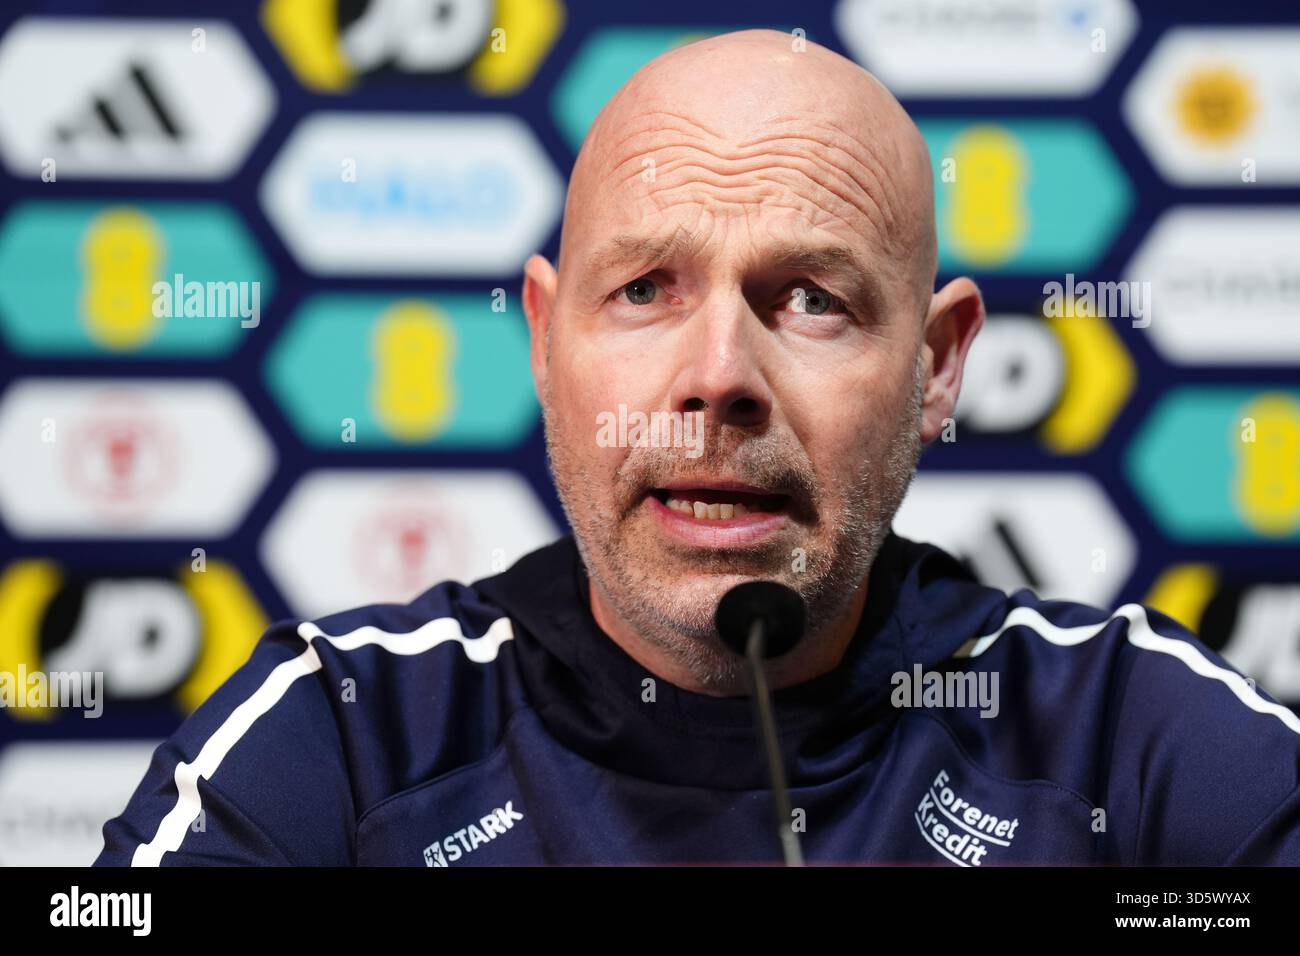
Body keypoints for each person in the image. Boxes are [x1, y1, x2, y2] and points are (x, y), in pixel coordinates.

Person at [96, 29, 1300, 867]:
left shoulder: (1129, 735)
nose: (718, 375)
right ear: (542, 341)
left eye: (810, 299)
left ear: (936, 367)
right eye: (644, 290)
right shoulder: (347, 736)